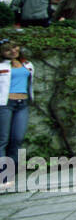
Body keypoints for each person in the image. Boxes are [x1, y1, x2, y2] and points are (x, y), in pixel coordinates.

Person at [0, 40, 34, 188]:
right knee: (3, 140)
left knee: (18, 139)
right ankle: (3, 176)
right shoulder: (1, 66)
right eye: (8, 50)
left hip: (23, 104)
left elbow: (29, 83)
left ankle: (11, 172)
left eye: (14, 47)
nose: (13, 51)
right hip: (5, 105)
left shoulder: (28, 65)